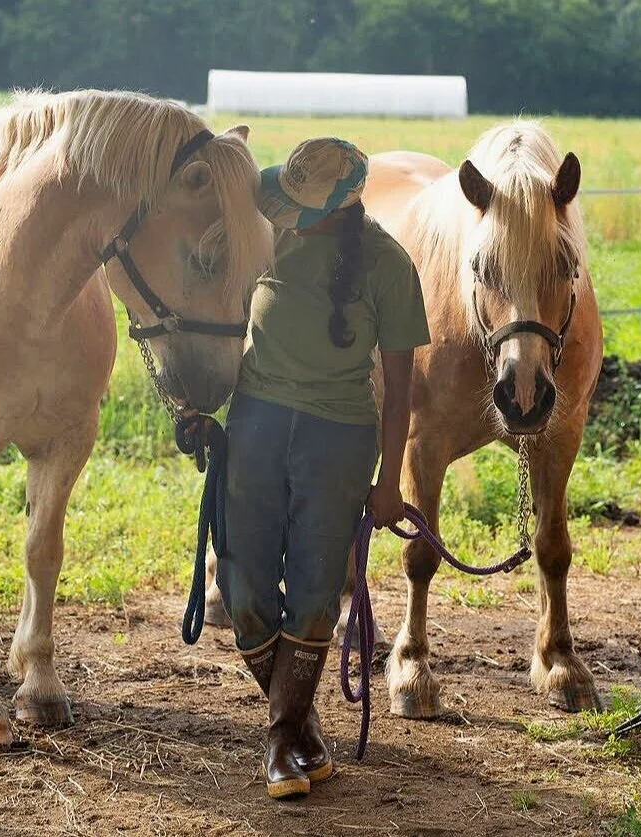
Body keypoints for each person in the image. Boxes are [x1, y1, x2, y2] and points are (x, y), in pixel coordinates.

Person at [216, 137, 430, 799]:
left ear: (338, 209)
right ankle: (303, 730)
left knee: (314, 590)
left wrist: (390, 479)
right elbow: (220, 327)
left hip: (339, 438)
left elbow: (400, 391)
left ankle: (280, 744)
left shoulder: (389, 267)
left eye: (300, 204)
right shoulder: (266, 240)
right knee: (243, 588)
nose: (285, 210)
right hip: (255, 424)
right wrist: (201, 408)